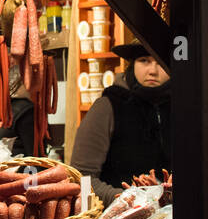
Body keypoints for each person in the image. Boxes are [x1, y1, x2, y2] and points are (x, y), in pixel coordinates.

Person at [71, 41, 172, 205]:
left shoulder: (182, 106)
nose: (152, 71)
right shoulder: (108, 106)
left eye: (160, 62)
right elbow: (81, 177)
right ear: (132, 64)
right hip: (119, 218)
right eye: (144, 60)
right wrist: (125, 199)